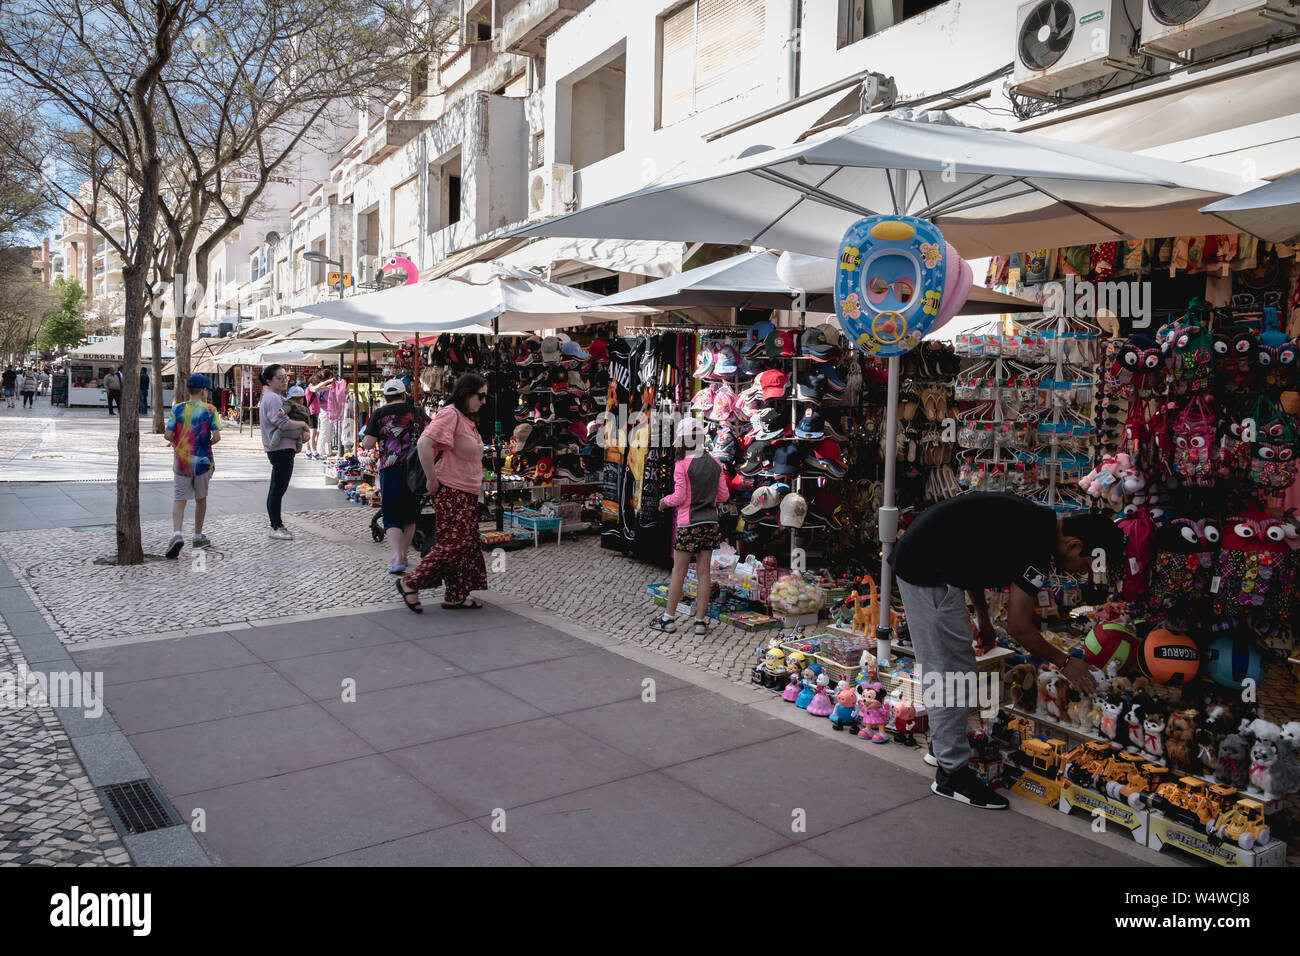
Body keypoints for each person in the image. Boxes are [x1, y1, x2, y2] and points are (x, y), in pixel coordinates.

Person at [888, 492, 1126, 810]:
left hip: (928, 559)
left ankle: (943, 748)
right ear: (1074, 545)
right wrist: (1065, 661)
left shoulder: (1033, 524)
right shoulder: (1037, 548)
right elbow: (1018, 627)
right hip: (924, 568)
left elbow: (970, 559)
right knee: (950, 671)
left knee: (953, 666)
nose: (1083, 574)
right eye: (1087, 565)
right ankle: (951, 776)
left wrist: (983, 617)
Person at [397, 373, 488, 612]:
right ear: (467, 393)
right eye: (480, 396)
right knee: (453, 545)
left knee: (464, 544)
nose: (483, 401)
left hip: (466, 491)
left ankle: (456, 595)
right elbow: (424, 443)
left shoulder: (467, 419)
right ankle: (410, 582)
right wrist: (431, 479)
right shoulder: (450, 414)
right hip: (451, 489)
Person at [649, 417, 730, 636]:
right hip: (710, 523)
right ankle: (700, 622)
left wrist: (664, 502)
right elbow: (724, 495)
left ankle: (668, 619)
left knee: (679, 572)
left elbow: (680, 496)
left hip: (688, 523)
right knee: (705, 574)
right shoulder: (715, 463)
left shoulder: (682, 464)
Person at [362, 379, 429, 574]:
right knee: (409, 514)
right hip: (415, 470)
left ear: (385, 396)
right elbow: (432, 433)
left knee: (391, 514)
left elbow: (367, 443)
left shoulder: (379, 414)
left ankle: (397, 556)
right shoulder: (416, 412)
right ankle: (405, 556)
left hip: (390, 469)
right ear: (404, 394)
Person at [164, 373, 222, 557]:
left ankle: (177, 534)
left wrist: (178, 445)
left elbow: (167, 435)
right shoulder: (210, 409)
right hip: (203, 462)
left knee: (179, 498)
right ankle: (197, 536)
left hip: (181, 462)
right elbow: (217, 437)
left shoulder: (177, 409)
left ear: (188, 390)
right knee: (201, 498)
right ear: (204, 391)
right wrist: (205, 445)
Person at [259, 364, 309, 540]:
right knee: (278, 488)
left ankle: (276, 523)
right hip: (280, 448)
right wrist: (303, 425)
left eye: (285, 377)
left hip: (282, 448)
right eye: (279, 378)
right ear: (269, 381)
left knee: (277, 487)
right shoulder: (273, 398)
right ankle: (276, 525)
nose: (284, 381)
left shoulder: (274, 397)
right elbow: (283, 423)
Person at [272, 385, 313, 452]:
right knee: (298, 437)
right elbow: (307, 421)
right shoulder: (305, 409)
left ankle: (272, 446)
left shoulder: (289, 403)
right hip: (299, 431)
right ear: (302, 399)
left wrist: (281, 412)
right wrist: (306, 431)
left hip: (291, 428)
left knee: (278, 433)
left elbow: (286, 408)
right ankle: (299, 447)